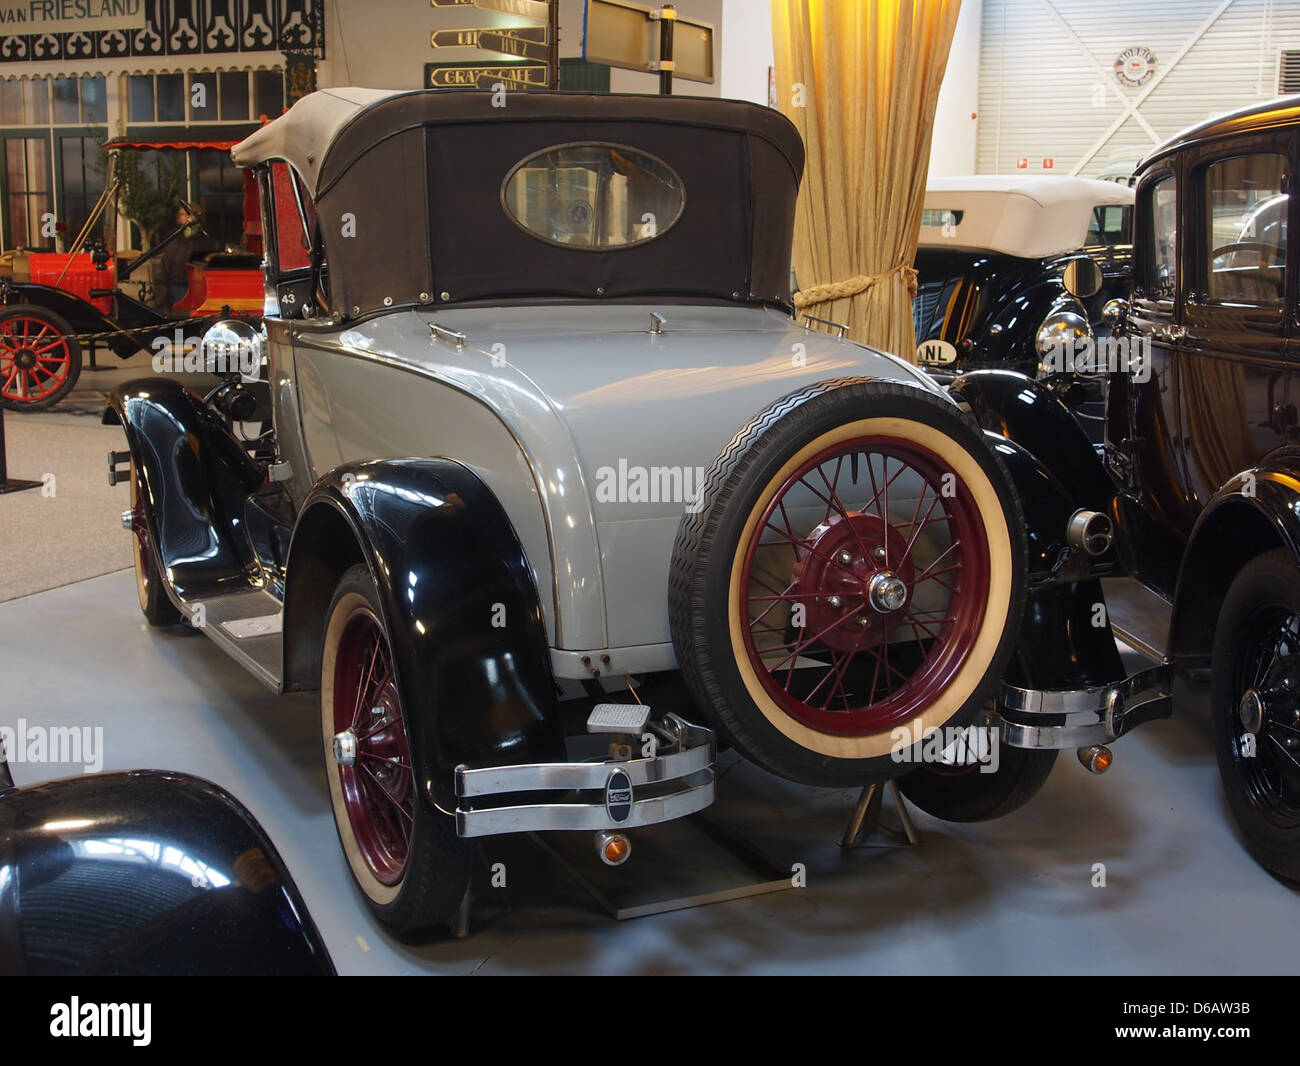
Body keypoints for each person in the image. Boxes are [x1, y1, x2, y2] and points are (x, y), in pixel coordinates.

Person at [159, 203, 199, 311]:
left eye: (187, 214)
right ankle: (178, 329)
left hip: (193, 283)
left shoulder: (197, 237)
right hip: (176, 281)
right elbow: (169, 257)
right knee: (178, 315)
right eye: (182, 214)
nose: (185, 217)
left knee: (187, 313)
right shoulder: (174, 235)